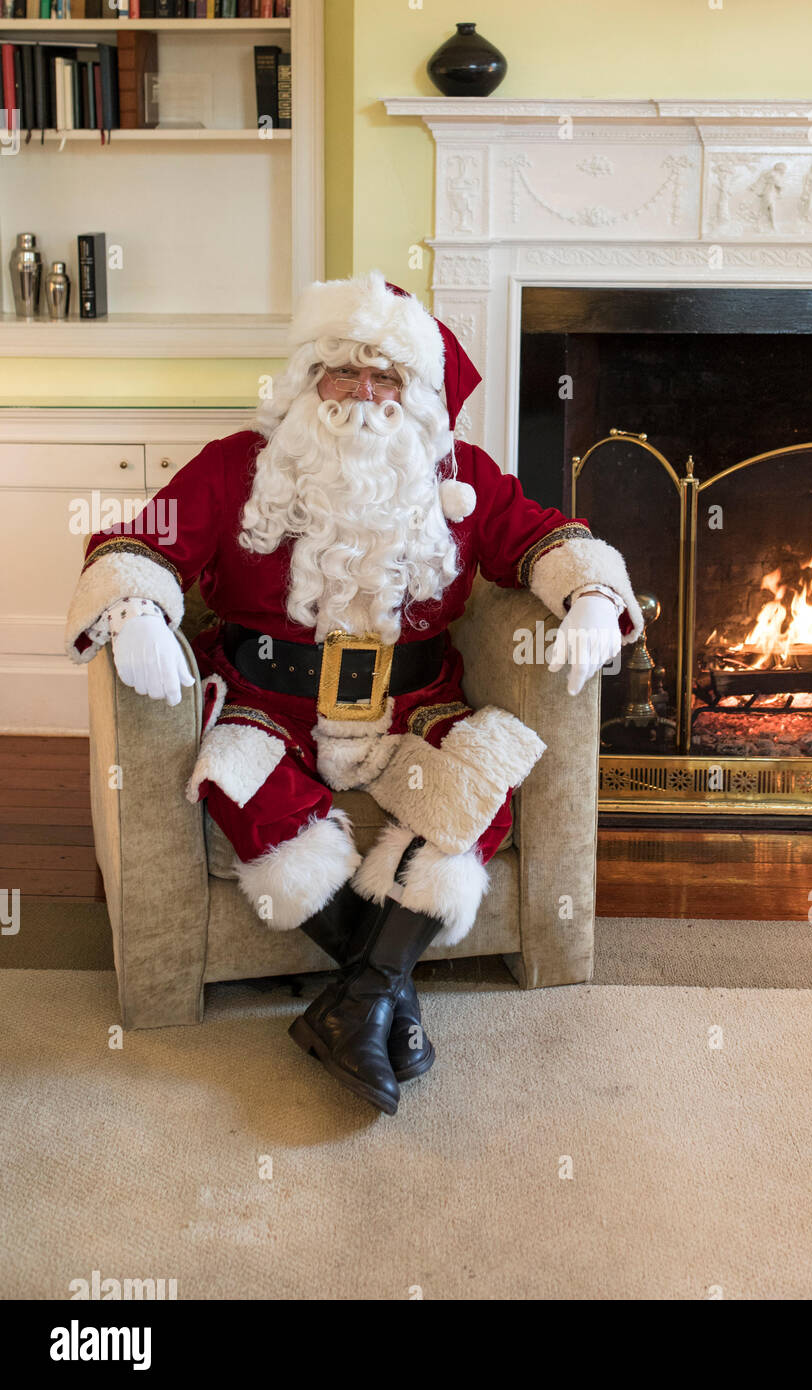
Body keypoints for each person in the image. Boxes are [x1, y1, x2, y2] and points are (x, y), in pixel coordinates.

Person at [64, 270, 643, 1116]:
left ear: (415, 396)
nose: (363, 394)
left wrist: (590, 594)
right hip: (273, 701)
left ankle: (358, 999)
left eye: (386, 376)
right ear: (307, 379)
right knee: (241, 784)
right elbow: (139, 543)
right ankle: (382, 996)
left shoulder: (460, 475)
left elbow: (544, 536)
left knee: (480, 787)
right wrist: (137, 607)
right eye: (343, 371)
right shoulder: (238, 468)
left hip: (413, 708)